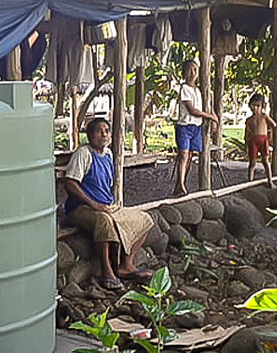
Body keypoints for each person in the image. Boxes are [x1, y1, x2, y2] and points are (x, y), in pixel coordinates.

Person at [63, 118, 154, 290]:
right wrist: (94, 205)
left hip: (105, 206)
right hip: (80, 209)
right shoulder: (83, 154)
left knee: (144, 219)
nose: (103, 135)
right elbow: (70, 184)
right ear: (89, 135)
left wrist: (108, 206)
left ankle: (126, 264)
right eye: (98, 131)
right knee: (104, 221)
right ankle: (106, 271)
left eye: (106, 131)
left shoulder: (109, 154)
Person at [172, 60, 219, 197]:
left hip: (197, 127)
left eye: (195, 69)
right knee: (184, 155)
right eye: (190, 69)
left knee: (190, 156)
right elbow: (192, 110)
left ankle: (180, 184)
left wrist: (214, 119)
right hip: (184, 127)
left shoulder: (199, 91)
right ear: (184, 72)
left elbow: (207, 107)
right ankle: (181, 184)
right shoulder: (184, 89)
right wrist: (209, 116)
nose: (193, 73)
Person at [245, 93, 277, 188]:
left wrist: (268, 132)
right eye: (253, 106)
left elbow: (274, 124)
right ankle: (250, 181)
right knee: (252, 162)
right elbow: (247, 133)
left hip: (263, 140)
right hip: (253, 140)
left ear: (262, 106)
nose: (255, 108)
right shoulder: (249, 120)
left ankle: (270, 181)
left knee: (265, 161)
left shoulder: (264, 117)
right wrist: (246, 143)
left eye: (258, 106)